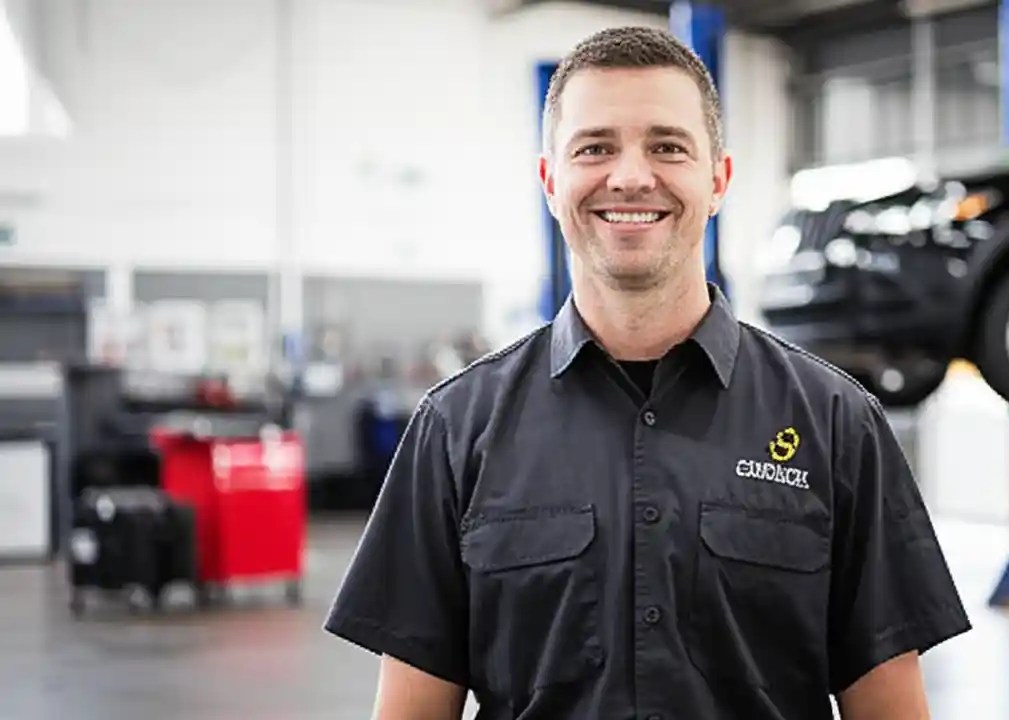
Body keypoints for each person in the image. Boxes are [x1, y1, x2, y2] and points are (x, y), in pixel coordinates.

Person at [324, 25, 971, 720]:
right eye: (595, 147)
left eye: (667, 146)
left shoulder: (838, 424)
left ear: (718, 179)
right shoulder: (454, 432)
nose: (631, 176)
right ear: (550, 180)